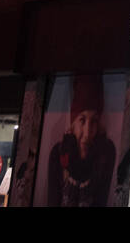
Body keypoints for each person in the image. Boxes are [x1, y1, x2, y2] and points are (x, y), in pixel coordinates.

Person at [45, 74, 116, 207]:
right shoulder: (58, 153)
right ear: (73, 123)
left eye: (94, 121)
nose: (88, 132)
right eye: (82, 120)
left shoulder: (106, 153)